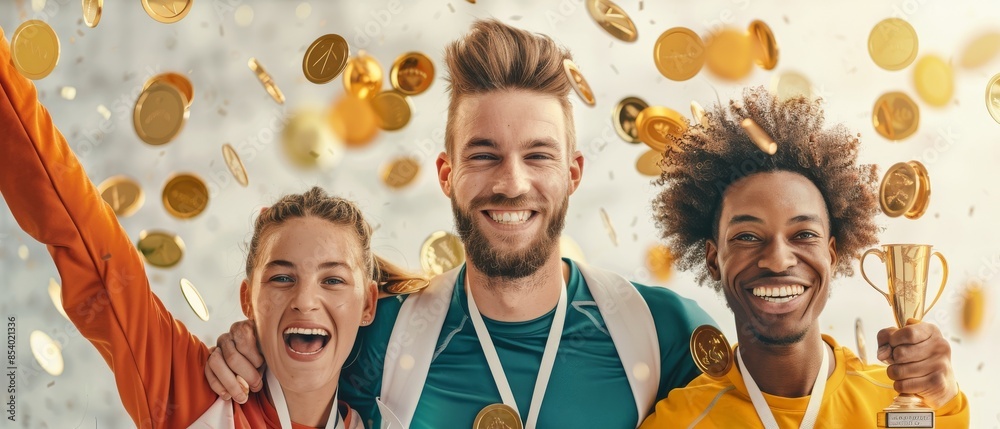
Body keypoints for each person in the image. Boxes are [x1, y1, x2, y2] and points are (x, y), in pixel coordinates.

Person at [206, 19, 715, 429]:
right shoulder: (379, 337)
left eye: (538, 156)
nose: (512, 183)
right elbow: (290, 368)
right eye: (484, 155)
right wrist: (248, 351)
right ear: (447, 175)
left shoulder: (665, 331)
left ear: (573, 174)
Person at [0, 26, 424, 428]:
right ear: (247, 299)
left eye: (332, 279)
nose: (304, 300)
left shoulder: (398, 415)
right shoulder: (188, 391)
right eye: (281, 277)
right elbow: (78, 226)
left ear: (368, 304)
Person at [638, 88, 969, 427]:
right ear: (714, 260)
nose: (779, 260)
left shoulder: (908, 407)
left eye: (804, 235)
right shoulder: (680, 421)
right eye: (748, 237)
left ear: (832, 254)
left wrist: (944, 402)